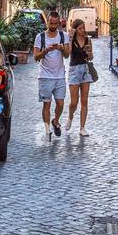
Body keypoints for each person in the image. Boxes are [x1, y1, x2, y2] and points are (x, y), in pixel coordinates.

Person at [34, 10, 69, 140]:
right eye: (51, 23)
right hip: (45, 76)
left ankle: (56, 120)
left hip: (59, 75)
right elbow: (35, 57)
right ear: (47, 22)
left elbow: (67, 55)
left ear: (59, 23)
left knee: (60, 103)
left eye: (55, 24)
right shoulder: (40, 37)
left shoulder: (63, 36)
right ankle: (47, 130)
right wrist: (46, 51)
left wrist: (61, 48)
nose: (53, 26)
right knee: (46, 104)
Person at [66, 17, 94, 137]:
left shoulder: (88, 40)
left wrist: (89, 54)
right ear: (75, 29)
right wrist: (70, 37)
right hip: (74, 70)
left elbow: (91, 57)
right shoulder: (71, 40)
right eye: (80, 28)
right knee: (74, 102)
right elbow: (68, 54)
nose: (83, 30)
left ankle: (82, 128)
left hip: (85, 70)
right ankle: (70, 117)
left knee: (84, 101)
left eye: (84, 28)